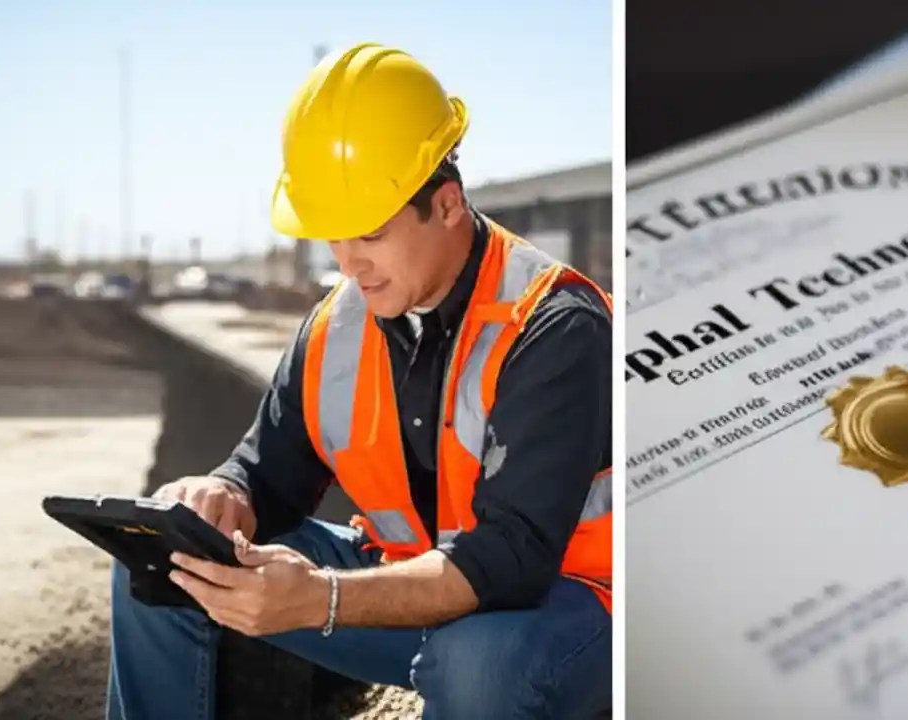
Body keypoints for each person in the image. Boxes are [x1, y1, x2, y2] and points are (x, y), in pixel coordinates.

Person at [105, 42, 613, 719]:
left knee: (478, 666)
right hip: (411, 592)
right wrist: (221, 495)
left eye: (369, 234)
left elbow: (509, 560)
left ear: (448, 204)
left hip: (566, 608)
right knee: (165, 567)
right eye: (332, 238)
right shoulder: (336, 326)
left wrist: (322, 597)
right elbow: (267, 472)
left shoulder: (552, 324)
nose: (350, 264)